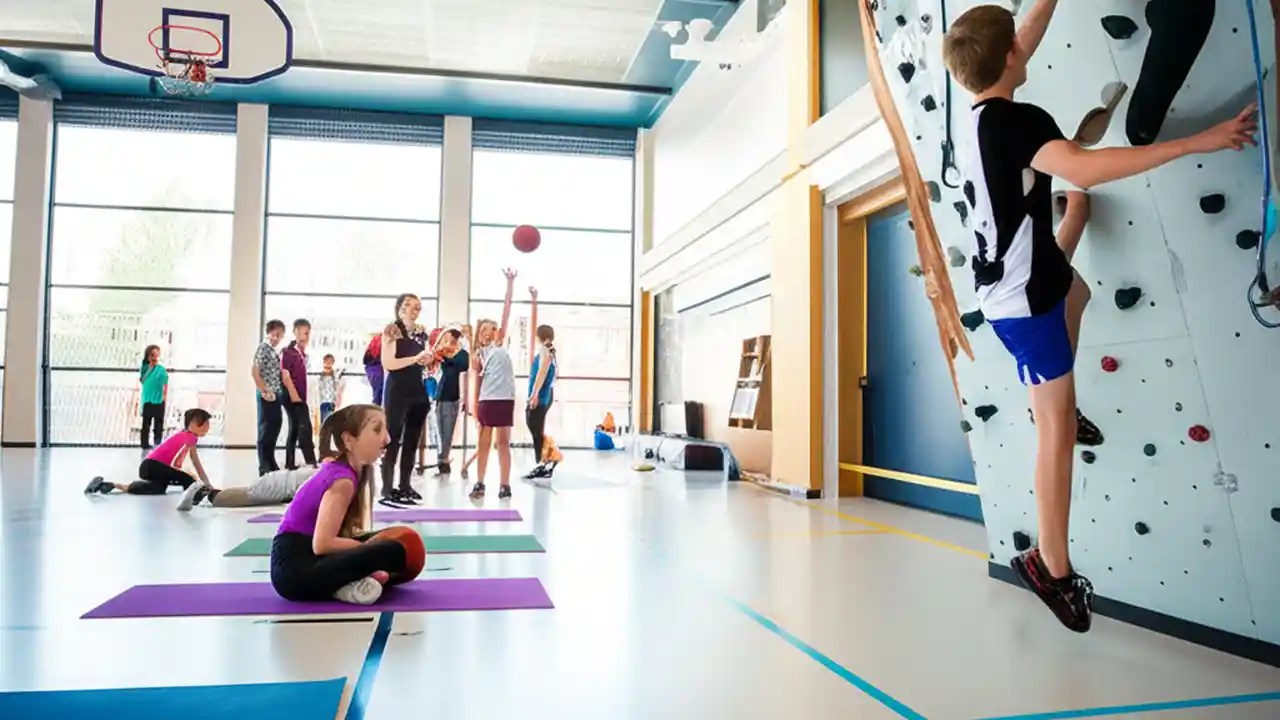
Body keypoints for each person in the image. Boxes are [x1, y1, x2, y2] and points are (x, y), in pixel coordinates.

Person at [943, 1, 1257, 632]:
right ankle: (1051, 567)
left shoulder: (975, 109)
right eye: (1019, 46)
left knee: (1077, 291)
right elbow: (1085, 167)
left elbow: (1016, 36)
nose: (1025, 46)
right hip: (1022, 302)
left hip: (1031, 279)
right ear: (1009, 60)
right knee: (1053, 429)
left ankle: (1056, 394)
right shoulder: (1019, 122)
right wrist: (1199, 140)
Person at [269, 405, 425, 605]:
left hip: (308, 559)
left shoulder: (348, 473)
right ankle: (349, 586)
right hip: (295, 572)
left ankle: (349, 581)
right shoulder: (342, 481)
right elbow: (322, 544)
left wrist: (365, 549)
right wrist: (366, 548)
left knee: (403, 541)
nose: (387, 439)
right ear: (349, 441)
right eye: (377, 430)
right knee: (394, 550)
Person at [379, 294, 433, 505]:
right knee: (393, 439)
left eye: (417, 306)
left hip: (417, 390)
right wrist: (415, 359)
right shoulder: (392, 330)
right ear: (400, 308)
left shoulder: (421, 333)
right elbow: (389, 363)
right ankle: (387, 487)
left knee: (412, 441)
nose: (414, 309)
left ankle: (405, 485)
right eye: (409, 305)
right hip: (397, 391)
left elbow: (421, 362)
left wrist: (426, 360)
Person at [85, 408, 215, 496]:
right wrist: (207, 483)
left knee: (158, 488)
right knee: (188, 480)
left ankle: (111, 485)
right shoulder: (190, 437)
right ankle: (200, 494)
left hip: (148, 467)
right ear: (196, 424)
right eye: (206, 425)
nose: (208, 429)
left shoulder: (184, 435)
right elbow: (195, 461)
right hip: (153, 466)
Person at [469, 269, 518, 500]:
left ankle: (505, 485)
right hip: (487, 400)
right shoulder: (479, 352)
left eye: (491, 329)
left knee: (503, 443)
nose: (487, 333)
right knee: (484, 443)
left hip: (505, 398)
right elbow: (476, 375)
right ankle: (479, 483)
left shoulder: (499, 343)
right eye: (483, 330)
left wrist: (509, 284)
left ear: (496, 332)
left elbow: (506, 311)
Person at [178, 462, 317, 511]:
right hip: (281, 484)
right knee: (248, 495)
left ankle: (204, 495)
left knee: (248, 493)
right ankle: (201, 496)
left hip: (288, 485)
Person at [524, 287, 559, 480]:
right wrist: (534, 302)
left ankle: (544, 461)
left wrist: (534, 394)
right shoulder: (549, 350)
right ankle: (544, 461)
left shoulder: (546, 352)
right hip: (544, 394)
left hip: (541, 395)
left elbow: (542, 373)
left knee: (535, 430)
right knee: (535, 430)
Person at [281, 318, 317, 470]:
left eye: (307, 333)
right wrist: (296, 398)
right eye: (301, 333)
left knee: (295, 428)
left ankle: (290, 463)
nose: (304, 337)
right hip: (292, 397)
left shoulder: (301, 353)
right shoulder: (288, 353)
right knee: (305, 428)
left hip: (299, 396)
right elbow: (285, 376)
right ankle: (312, 463)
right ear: (295, 332)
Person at [252, 319, 287, 475]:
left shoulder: (273, 351)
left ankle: (271, 461)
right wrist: (264, 390)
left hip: (275, 394)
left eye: (279, 335)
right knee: (265, 429)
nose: (276, 338)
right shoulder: (263, 348)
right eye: (274, 334)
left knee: (275, 426)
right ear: (268, 333)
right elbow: (254, 371)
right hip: (267, 394)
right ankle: (264, 466)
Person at [432, 328, 468, 476]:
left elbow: (461, 366)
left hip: (452, 396)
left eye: (449, 338)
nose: (446, 341)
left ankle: (444, 460)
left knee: (447, 431)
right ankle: (441, 459)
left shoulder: (462, 355)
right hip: (439, 395)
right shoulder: (442, 353)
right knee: (438, 431)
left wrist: (445, 355)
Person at [138, 344, 168, 450]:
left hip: (159, 399)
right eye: (152, 355)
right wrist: (150, 368)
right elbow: (142, 380)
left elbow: (165, 384)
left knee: (158, 424)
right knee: (146, 424)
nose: (154, 357)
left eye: (156, 355)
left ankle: (157, 443)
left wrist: (164, 397)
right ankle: (145, 444)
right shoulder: (145, 368)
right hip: (148, 400)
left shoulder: (162, 369)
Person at [317, 353, 343, 425]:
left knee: (330, 420)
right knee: (324, 420)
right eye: (327, 361)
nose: (328, 363)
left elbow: (337, 384)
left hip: (331, 401)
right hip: (323, 401)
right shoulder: (320, 375)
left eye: (330, 361)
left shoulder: (334, 375)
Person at [363, 332, 385, 406]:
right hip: (377, 367)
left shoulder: (378, 339)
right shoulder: (381, 339)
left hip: (373, 367)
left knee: (378, 394)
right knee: (379, 393)